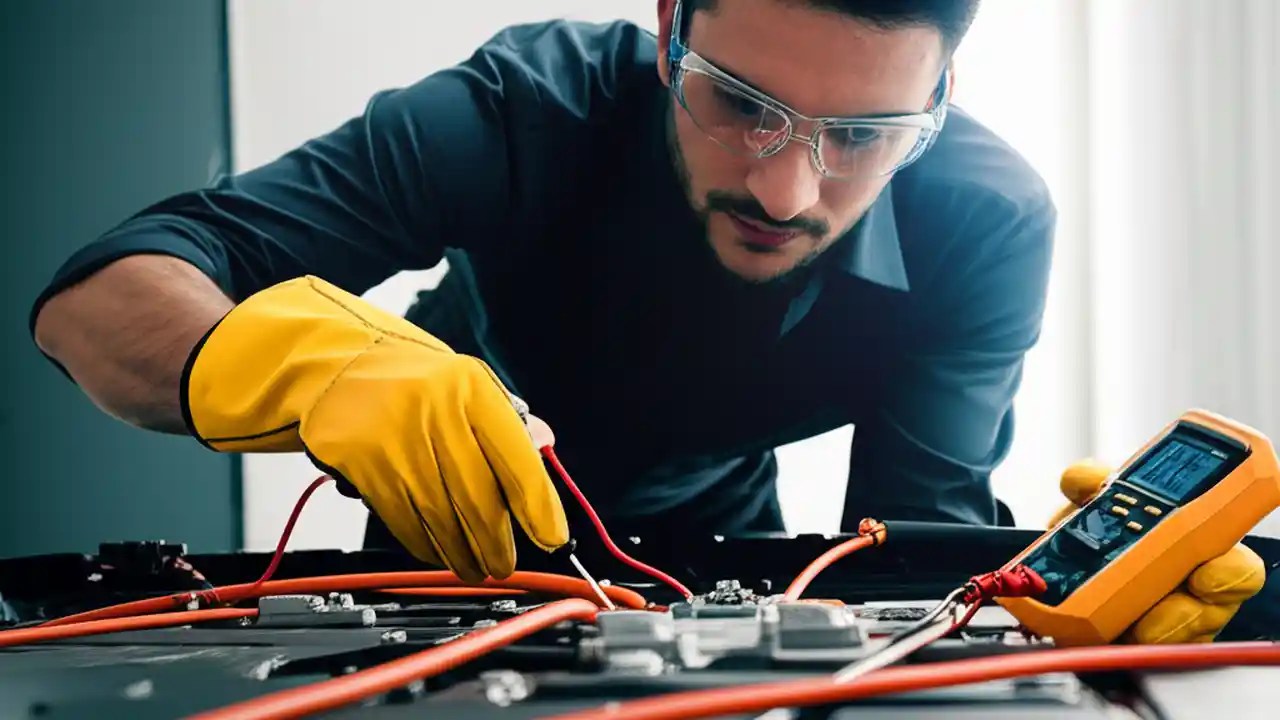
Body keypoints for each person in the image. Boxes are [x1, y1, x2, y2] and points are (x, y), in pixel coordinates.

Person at [31, 0, 1262, 642]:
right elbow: (99, 298)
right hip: (444, 521)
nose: (786, 189)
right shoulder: (518, 109)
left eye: (861, 136)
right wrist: (291, 365)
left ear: (937, 100)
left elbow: (913, 548)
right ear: (671, 31)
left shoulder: (984, 223)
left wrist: (1077, 604)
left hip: (727, 538)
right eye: (740, 104)